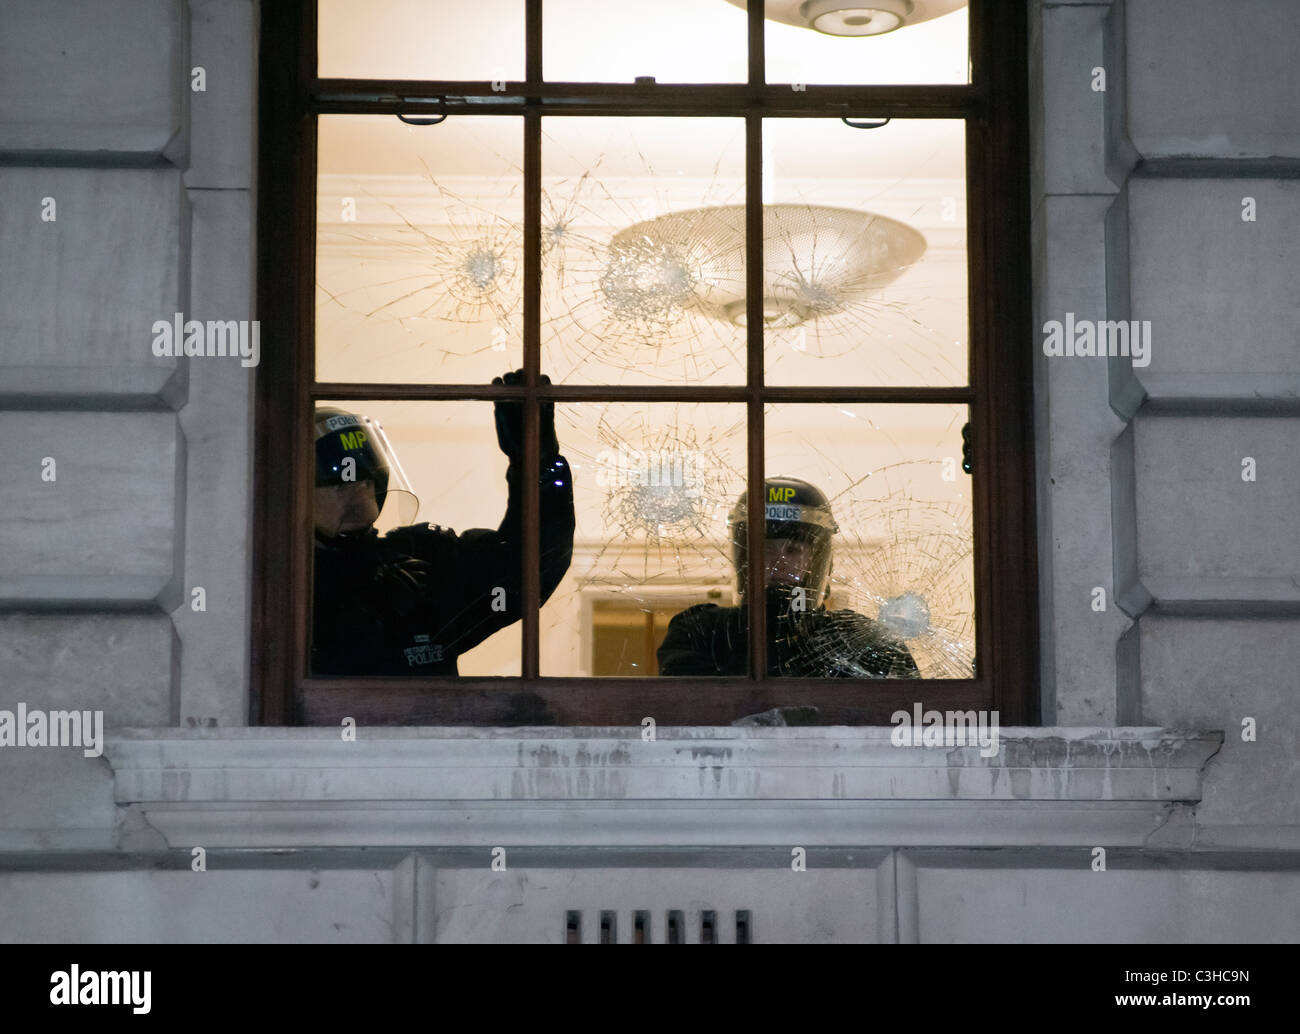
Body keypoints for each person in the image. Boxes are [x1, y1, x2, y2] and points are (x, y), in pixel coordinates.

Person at [311, 370, 574, 676]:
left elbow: (527, 569)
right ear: (295, 494)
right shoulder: (280, 588)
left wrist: (538, 467)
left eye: (366, 479)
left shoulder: (420, 558)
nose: (358, 491)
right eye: (339, 483)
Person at [656, 476, 918, 678]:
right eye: (765, 549)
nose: (778, 562)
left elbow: (907, 717)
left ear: (816, 561)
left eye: (793, 551)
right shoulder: (701, 630)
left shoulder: (860, 639)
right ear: (745, 560)